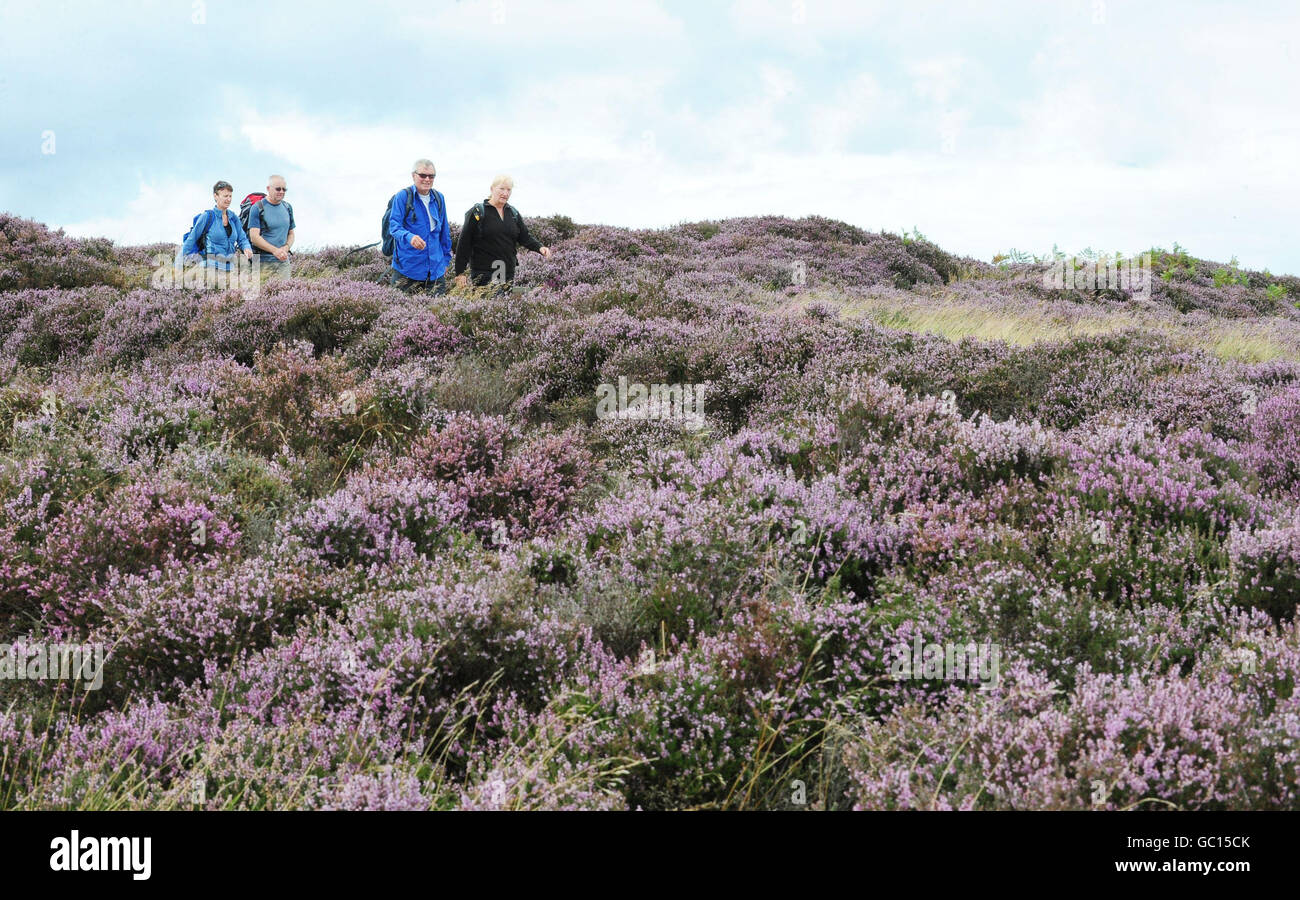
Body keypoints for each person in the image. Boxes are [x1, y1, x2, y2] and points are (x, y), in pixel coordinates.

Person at [453, 175, 552, 292]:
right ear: (492, 189)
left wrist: (539, 247)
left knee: (509, 303)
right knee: (495, 302)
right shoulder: (477, 212)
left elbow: (524, 236)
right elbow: (464, 243)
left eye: (509, 190)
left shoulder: (513, 213)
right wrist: (460, 272)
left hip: (508, 272)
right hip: (484, 273)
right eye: (502, 189)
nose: (505, 193)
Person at [388, 159, 452, 294]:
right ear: (413, 176)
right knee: (402, 314)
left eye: (431, 176)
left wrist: (445, 261)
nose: (427, 179)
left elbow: (444, 232)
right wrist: (409, 237)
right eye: (423, 175)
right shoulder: (402, 197)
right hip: (407, 271)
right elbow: (394, 226)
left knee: (438, 313)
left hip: (435, 272)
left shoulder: (439, 198)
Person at [182, 181, 253, 270]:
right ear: (215, 196)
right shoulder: (207, 216)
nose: (229, 199)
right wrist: (177, 264)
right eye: (225, 196)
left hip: (230, 268)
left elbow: (242, 238)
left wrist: (247, 248)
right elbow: (191, 240)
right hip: (209, 267)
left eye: (230, 196)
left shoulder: (233, 218)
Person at [247, 174, 295, 279]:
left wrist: (286, 247)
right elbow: (254, 237)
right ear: (268, 189)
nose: (281, 192)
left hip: (283, 262)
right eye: (278, 189)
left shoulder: (287, 207)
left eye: (284, 189)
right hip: (261, 262)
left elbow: (291, 233)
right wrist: (275, 251)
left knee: (285, 294)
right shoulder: (257, 208)